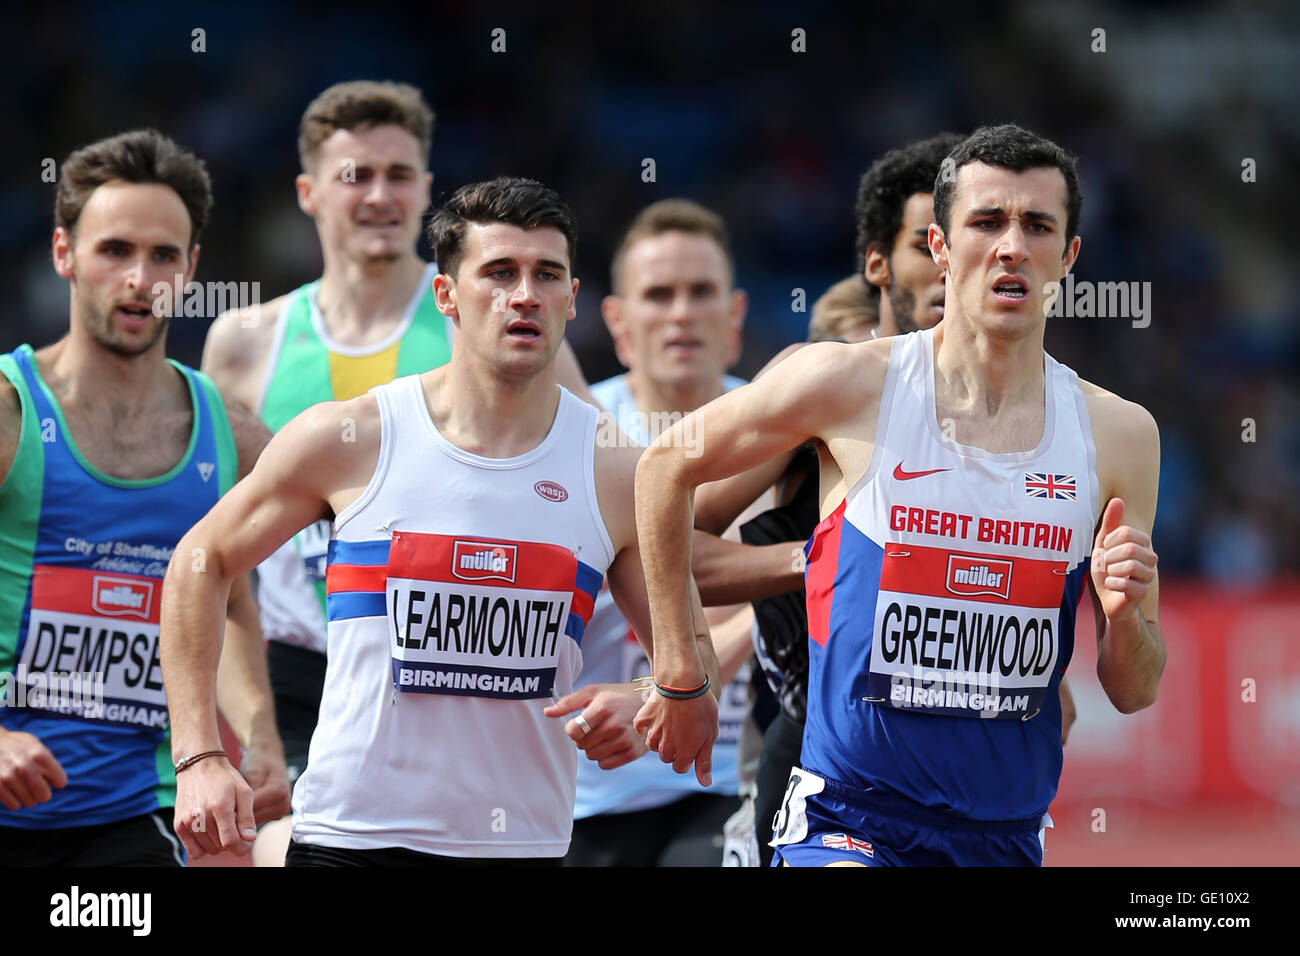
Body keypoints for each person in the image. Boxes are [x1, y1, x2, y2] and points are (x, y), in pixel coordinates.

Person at [638, 124, 1164, 867]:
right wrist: (680, 673)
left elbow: (1135, 686)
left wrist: (1123, 618)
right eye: (986, 222)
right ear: (942, 249)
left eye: (1037, 225)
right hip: (847, 821)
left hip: (1003, 838)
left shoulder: (1120, 435)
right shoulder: (849, 383)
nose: (1011, 246)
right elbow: (663, 465)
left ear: (1069, 258)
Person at [161, 177, 719, 865]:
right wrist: (198, 757)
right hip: (349, 841)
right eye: (498, 273)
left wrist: (651, 696)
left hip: (520, 848)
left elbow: (693, 657)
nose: (524, 295)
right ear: (445, 296)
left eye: (547, 274)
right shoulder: (353, 439)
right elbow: (199, 560)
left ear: (572, 300)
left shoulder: (615, 472)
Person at [203, 81, 599, 865]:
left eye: (400, 174)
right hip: (295, 667)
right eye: (357, 175)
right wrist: (248, 720)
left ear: (425, 190)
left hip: (450, 674)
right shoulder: (247, 339)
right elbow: (217, 559)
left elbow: (596, 496)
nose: (380, 195)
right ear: (310, 193)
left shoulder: (500, 321)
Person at [0, 129, 287, 865]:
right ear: (64, 254)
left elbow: (225, 598)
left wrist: (258, 739)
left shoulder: (228, 433)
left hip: (135, 815)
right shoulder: (10, 411)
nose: (139, 277)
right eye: (114, 250)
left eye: (163, 255)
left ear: (191, 269)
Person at [562, 199, 798, 866]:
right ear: (617, 320)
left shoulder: (788, 437)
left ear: (735, 315)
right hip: (579, 787)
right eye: (659, 294)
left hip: (732, 780)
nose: (681, 312)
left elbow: (825, 580)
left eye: (701, 293)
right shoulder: (569, 437)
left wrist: (669, 688)